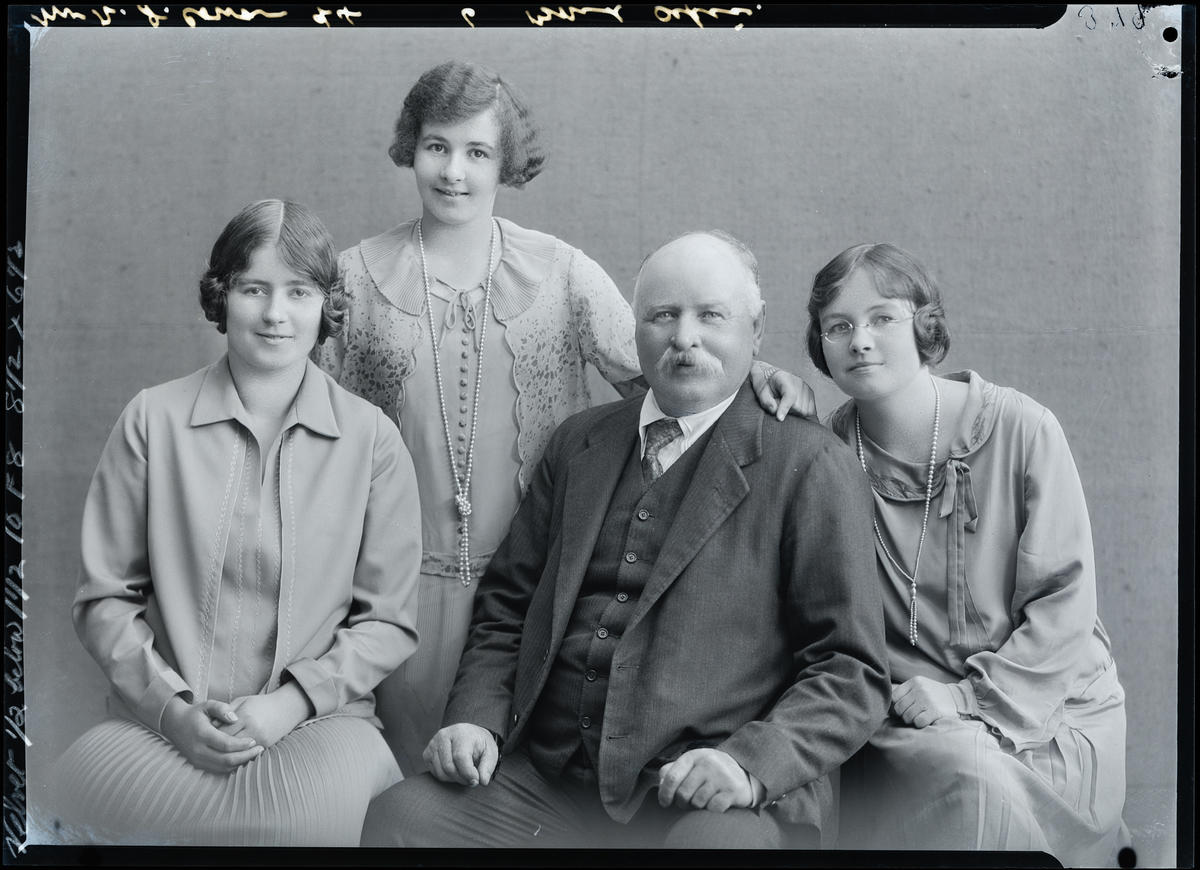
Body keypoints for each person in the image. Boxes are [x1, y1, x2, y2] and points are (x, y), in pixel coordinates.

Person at [315, 59, 816, 776]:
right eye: (437, 147)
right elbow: (311, 422)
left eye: (478, 152)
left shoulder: (561, 272)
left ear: (506, 162)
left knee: (506, 785)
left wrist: (754, 367)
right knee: (397, 793)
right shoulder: (356, 277)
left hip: (535, 598)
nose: (454, 171)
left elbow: (670, 372)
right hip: (387, 592)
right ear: (411, 149)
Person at [359, 230, 890, 849]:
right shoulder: (578, 443)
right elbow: (507, 604)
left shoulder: (812, 464)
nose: (684, 338)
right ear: (633, 328)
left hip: (706, 793)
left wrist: (749, 765)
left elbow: (849, 668)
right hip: (547, 780)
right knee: (403, 822)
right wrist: (476, 719)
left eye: (710, 316)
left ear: (756, 326)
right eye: (663, 315)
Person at [48, 200, 422, 846]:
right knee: (64, 796)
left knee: (296, 827)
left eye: (298, 292)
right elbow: (104, 600)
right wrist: (173, 712)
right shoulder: (151, 420)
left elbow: (386, 621)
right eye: (254, 289)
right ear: (222, 298)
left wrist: (288, 704)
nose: (276, 314)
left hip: (319, 725)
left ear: (325, 306)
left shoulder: (372, 440)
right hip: (160, 726)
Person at [806, 243, 1127, 865]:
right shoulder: (824, 457)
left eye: (882, 319)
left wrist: (965, 698)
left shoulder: (1022, 429)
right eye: (837, 327)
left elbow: (1066, 604)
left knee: (982, 779)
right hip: (910, 724)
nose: (860, 341)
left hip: (1048, 703)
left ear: (924, 325)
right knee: (964, 775)